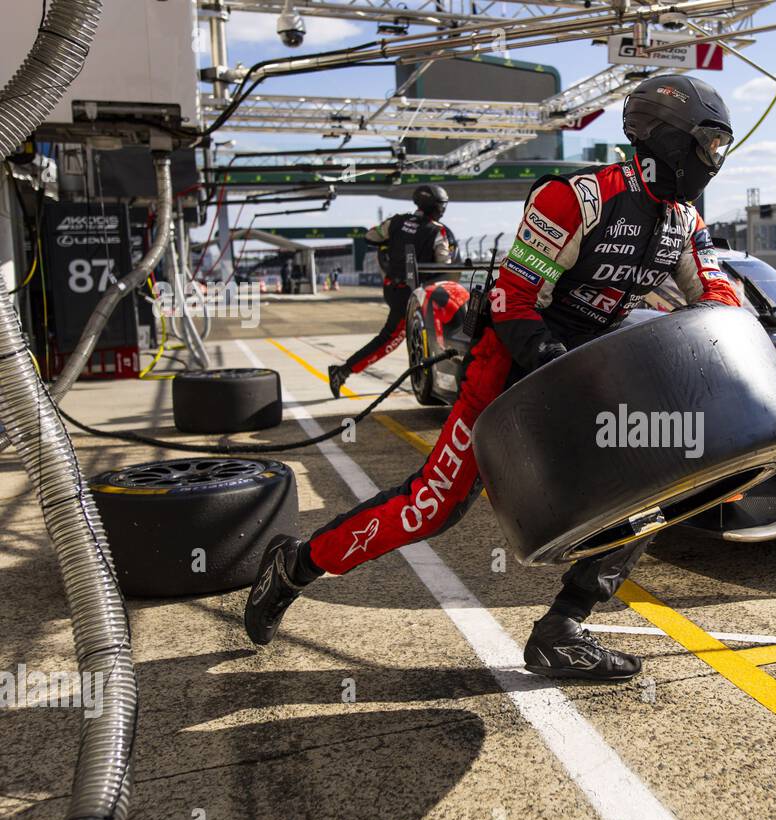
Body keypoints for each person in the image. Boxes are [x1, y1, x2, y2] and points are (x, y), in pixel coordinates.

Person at [244, 75, 740, 681]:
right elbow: (512, 298)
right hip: (508, 364)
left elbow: (714, 293)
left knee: (656, 475)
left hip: (589, 367)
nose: (714, 159)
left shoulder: (684, 222)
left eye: (721, 147)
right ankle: (296, 566)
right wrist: (552, 360)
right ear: (669, 137)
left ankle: (564, 626)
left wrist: (726, 324)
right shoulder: (575, 198)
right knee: (435, 506)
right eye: (710, 144)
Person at [327, 185, 454, 398]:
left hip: (392, 287)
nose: (444, 209)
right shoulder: (437, 231)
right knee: (391, 339)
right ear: (435, 206)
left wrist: (390, 245)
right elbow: (446, 266)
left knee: (411, 335)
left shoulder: (396, 221)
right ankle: (342, 371)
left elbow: (370, 237)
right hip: (414, 293)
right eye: (443, 205)